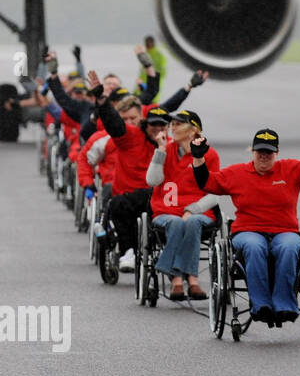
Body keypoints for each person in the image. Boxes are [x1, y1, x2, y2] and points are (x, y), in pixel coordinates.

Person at [193, 123, 300, 326]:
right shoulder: (237, 173)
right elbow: (206, 182)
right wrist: (198, 158)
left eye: (269, 152)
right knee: (254, 246)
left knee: (290, 246)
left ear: (276, 153)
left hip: (284, 231)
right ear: (253, 151)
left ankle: (284, 305)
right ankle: (261, 306)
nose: (264, 156)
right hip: (248, 231)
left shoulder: (291, 169)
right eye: (260, 151)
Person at [92, 69, 168, 273]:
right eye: (153, 125)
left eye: (162, 125)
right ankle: (128, 251)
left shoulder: (172, 145)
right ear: (145, 124)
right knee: (117, 204)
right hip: (126, 197)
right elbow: (115, 124)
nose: (157, 129)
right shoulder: (131, 136)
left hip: (159, 199)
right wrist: (101, 101)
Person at [145, 110, 220, 300]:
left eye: (178, 124)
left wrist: (191, 209)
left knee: (192, 222)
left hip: (197, 211)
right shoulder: (166, 150)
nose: (172, 128)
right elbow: (153, 181)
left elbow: (215, 193)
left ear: (193, 130)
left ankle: (192, 280)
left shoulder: (209, 155)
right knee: (177, 223)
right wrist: (160, 150)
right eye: (173, 124)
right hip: (166, 211)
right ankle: (178, 279)